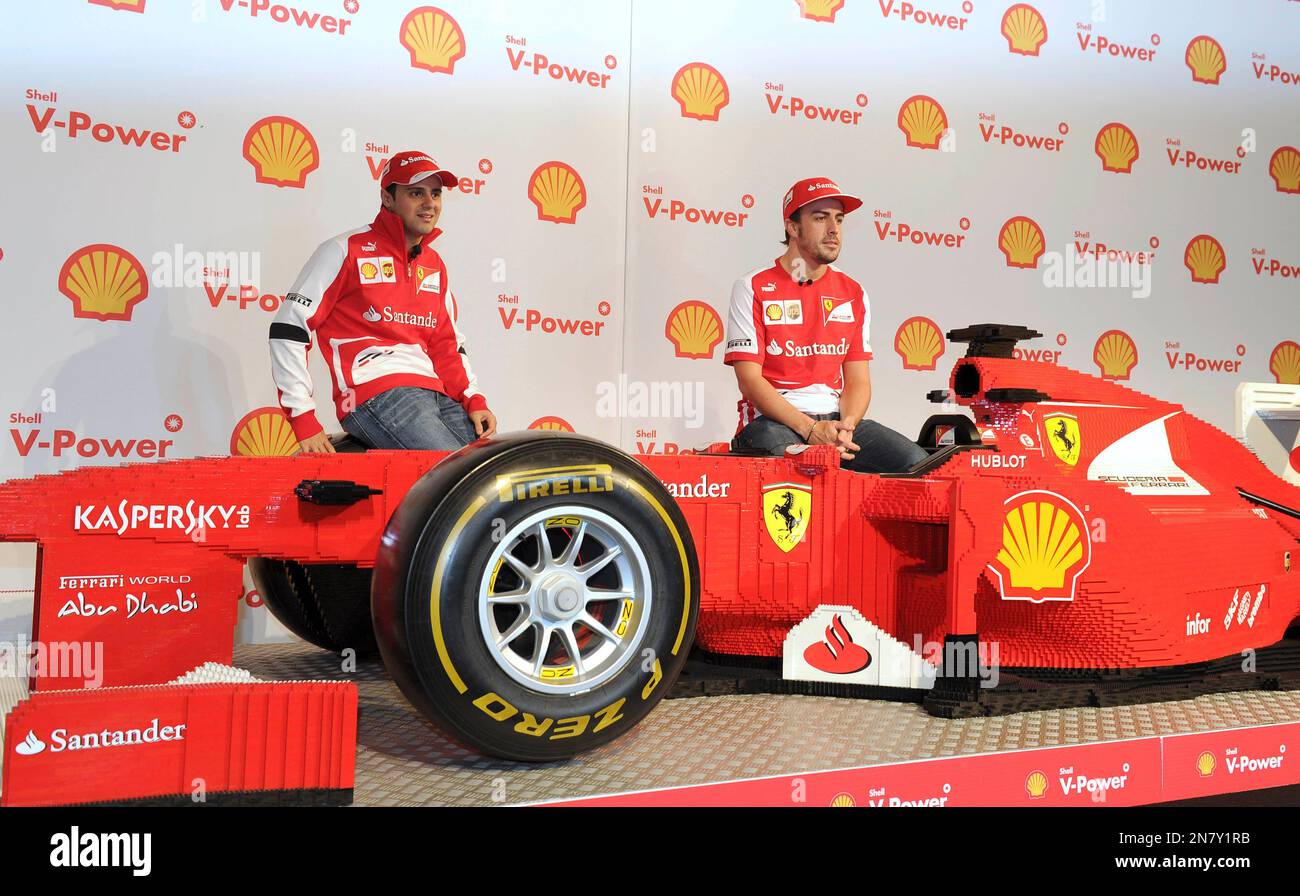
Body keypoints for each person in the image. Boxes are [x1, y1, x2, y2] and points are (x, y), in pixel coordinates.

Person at [270, 150, 497, 453]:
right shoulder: (344, 250)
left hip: (438, 396)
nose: (429, 203)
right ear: (387, 198)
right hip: (376, 393)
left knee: (487, 474)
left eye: (435, 193)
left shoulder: (434, 264)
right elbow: (288, 327)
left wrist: (473, 399)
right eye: (416, 193)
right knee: (457, 481)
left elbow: (448, 345)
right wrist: (303, 419)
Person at [722, 177, 927, 473]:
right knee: (807, 469)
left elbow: (858, 381)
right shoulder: (752, 286)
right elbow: (749, 380)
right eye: (820, 218)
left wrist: (846, 427)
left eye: (839, 219)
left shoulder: (853, 292)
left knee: (916, 465)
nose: (834, 230)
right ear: (793, 228)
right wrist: (808, 429)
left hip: (835, 421)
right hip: (773, 423)